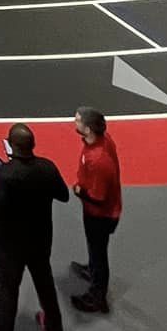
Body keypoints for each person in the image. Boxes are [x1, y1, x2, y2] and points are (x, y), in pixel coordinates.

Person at [0, 123, 70, 331]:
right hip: (39, 239)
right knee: (45, 285)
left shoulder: (4, 174)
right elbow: (64, 195)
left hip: (9, 244)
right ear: (32, 145)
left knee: (7, 291)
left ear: (11, 146)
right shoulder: (47, 167)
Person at [69, 107, 122, 315]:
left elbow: (98, 198)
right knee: (95, 250)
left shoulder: (99, 161)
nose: (75, 122)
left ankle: (97, 296)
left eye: (78, 121)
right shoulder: (102, 140)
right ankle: (92, 269)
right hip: (101, 211)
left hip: (99, 215)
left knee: (99, 252)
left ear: (88, 129)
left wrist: (78, 191)